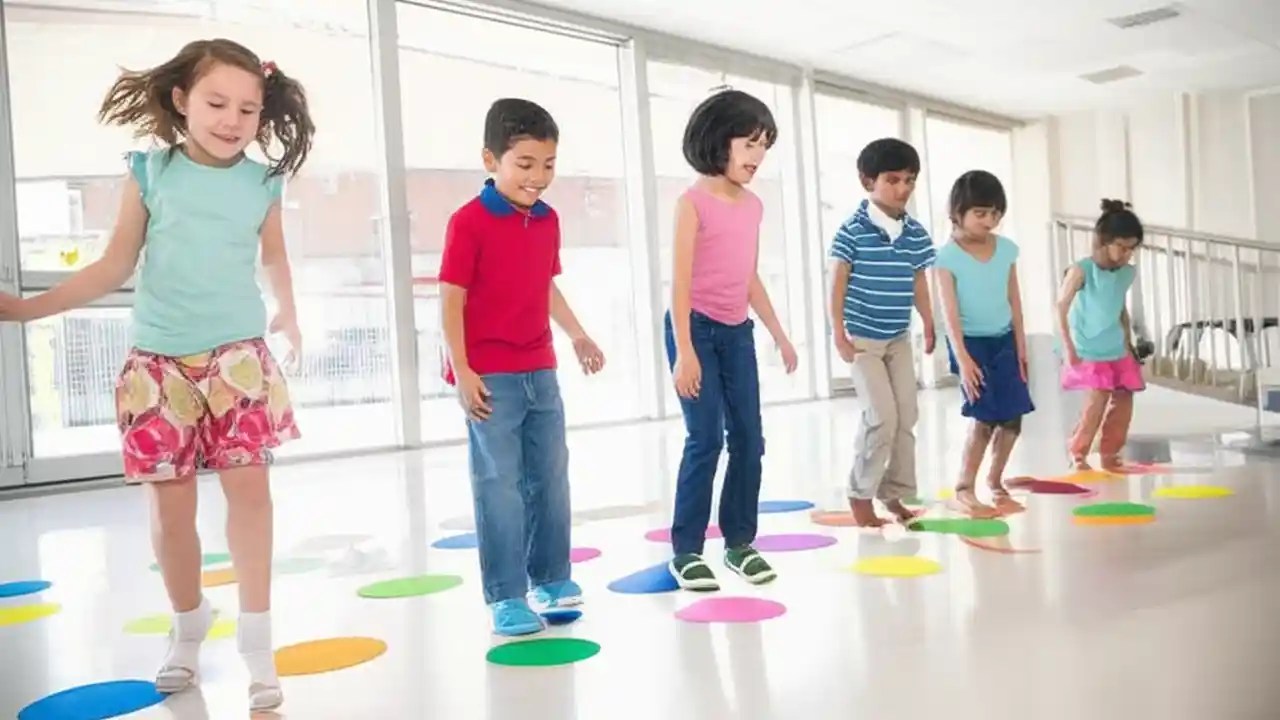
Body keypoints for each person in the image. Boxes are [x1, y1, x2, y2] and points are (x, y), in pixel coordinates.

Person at [0, 39, 313, 711]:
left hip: (237, 359)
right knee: (172, 517)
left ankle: (258, 645)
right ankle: (188, 624)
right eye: (217, 103)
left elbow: (275, 258)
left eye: (248, 109)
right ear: (181, 101)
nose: (233, 120)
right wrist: (29, 309)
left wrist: (287, 312)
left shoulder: (260, 182)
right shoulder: (150, 172)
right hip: (159, 364)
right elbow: (114, 265)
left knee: (251, 501)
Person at [439, 98, 605, 635]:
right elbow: (450, 297)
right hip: (489, 375)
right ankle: (506, 596)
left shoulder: (548, 220)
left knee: (551, 477)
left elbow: (544, 285)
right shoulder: (467, 222)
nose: (539, 177)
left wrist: (577, 334)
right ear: (492, 159)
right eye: (526, 164)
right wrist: (460, 368)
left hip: (541, 368)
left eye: (549, 165)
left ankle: (552, 578)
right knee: (499, 484)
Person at [665, 88, 798, 592]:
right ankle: (687, 551)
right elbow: (679, 282)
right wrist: (684, 352)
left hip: (736, 331)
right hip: (693, 327)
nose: (757, 157)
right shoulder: (692, 202)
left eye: (764, 146)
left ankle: (740, 544)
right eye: (749, 144)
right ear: (718, 141)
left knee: (749, 439)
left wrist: (780, 334)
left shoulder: (753, 206)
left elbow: (748, 276)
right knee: (704, 440)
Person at [828, 138, 936, 528]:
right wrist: (838, 333)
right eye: (893, 180)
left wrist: (929, 321)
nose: (903, 189)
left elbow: (919, 279)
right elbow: (837, 283)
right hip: (863, 340)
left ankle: (895, 493)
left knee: (907, 414)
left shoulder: (916, 233)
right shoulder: (852, 231)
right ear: (867, 181)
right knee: (882, 417)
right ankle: (860, 493)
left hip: (898, 338)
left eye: (910, 180)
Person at [935, 171, 1034, 518]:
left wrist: (1021, 346)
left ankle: (996, 481)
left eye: (995, 213)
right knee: (985, 416)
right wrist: (963, 359)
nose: (989, 221)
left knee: (1014, 415)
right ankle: (964, 488)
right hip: (971, 343)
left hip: (1005, 338)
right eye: (980, 213)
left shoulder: (1006, 250)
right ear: (958, 212)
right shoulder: (946, 257)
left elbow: (1015, 300)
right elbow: (949, 314)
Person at [1057, 199, 1146, 471]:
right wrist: (1068, 347)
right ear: (1104, 241)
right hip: (1089, 345)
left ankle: (1110, 452)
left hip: (1116, 344)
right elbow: (1060, 306)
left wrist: (1129, 341)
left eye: (1132, 248)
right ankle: (1078, 451)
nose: (1127, 254)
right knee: (1097, 400)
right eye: (1122, 246)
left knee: (1125, 399)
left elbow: (1119, 308)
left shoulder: (1126, 273)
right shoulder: (1082, 270)